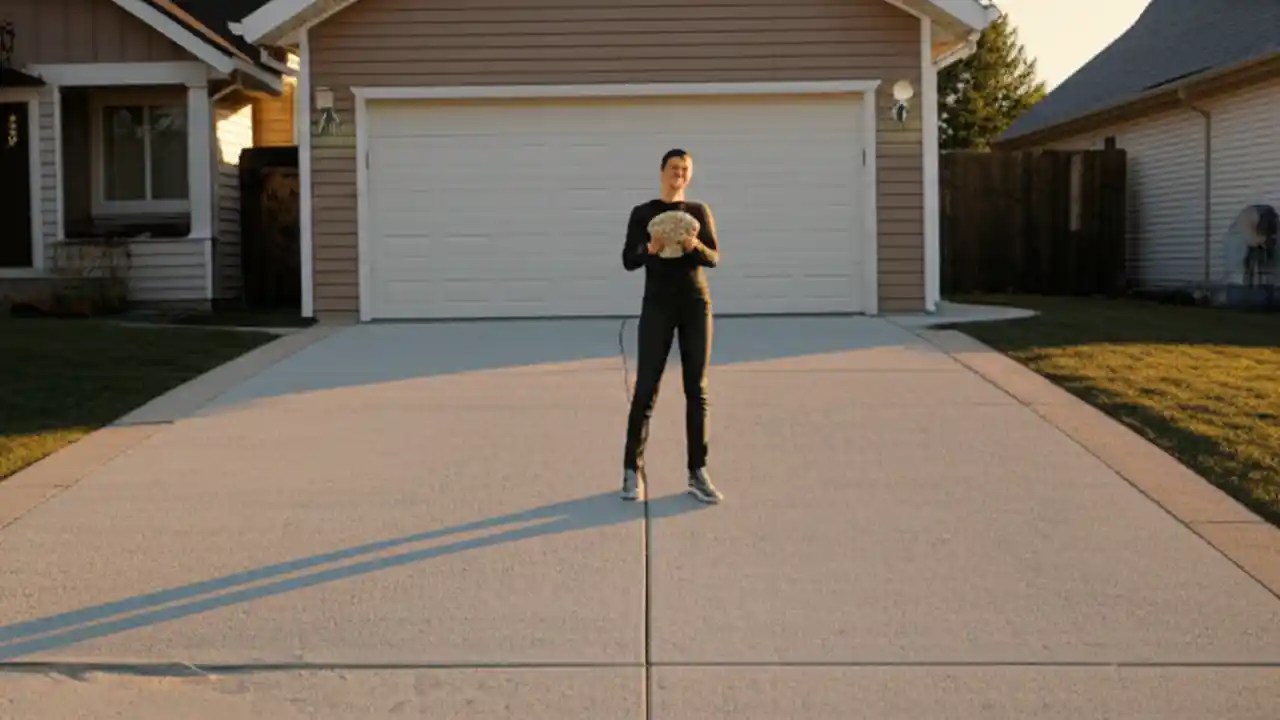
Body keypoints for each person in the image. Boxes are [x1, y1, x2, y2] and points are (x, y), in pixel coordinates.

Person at [620, 148, 723, 504]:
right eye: (674, 168)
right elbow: (628, 261)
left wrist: (695, 246)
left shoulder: (698, 212)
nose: (679, 173)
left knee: (697, 389)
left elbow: (715, 257)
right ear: (662, 171)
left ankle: (698, 472)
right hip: (658, 306)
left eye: (685, 169)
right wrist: (650, 248)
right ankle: (631, 472)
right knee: (646, 387)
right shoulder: (643, 213)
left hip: (695, 304)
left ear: (689, 175)